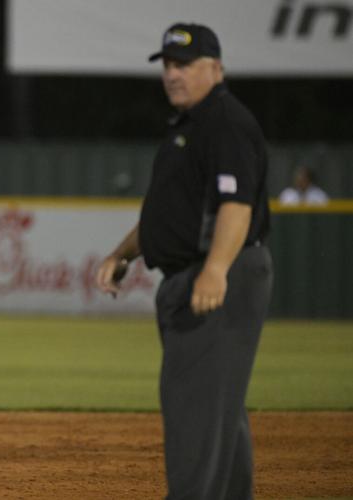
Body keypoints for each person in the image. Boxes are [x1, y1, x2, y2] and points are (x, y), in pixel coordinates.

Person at [95, 23, 272, 499]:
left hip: (214, 274)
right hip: (194, 272)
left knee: (194, 412)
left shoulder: (224, 122)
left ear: (216, 68)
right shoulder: (189, 126)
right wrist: (122, 254)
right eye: (168, 65)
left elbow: (237, 206)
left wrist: (215, 269)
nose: (174, 74)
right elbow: (166, 212)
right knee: (218, 412)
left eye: (185, 64)